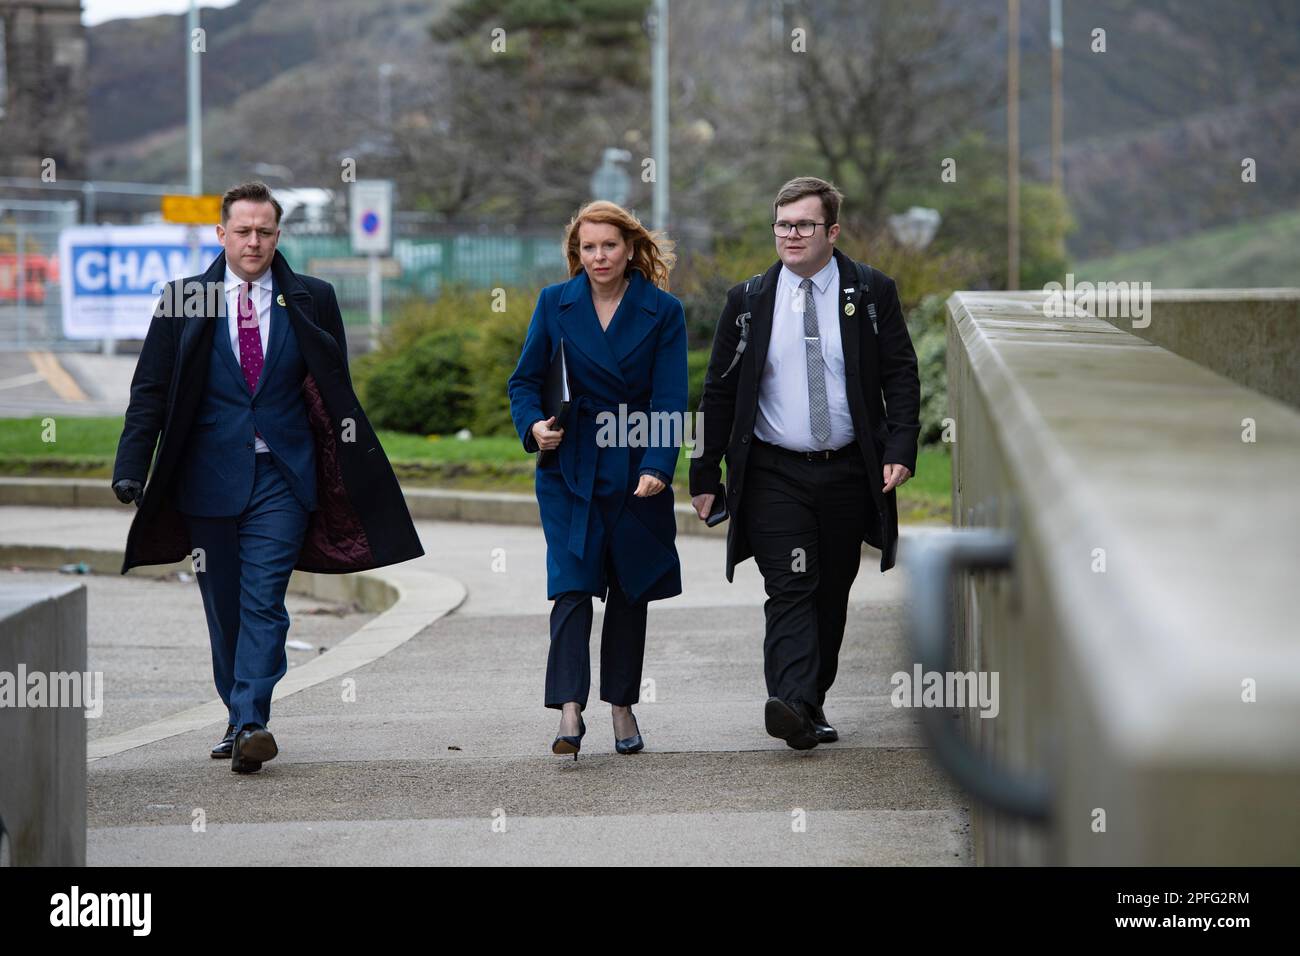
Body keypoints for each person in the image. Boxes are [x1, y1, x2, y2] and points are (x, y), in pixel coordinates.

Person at [111, 181, 424, 773]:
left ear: (278, 235)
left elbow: (333, 389)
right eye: (244, 230)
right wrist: (132, 467)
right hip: (206, 480)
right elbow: (149, 389)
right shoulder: (185, 300)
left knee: (264, 599)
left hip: (284, 475)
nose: (254, 241)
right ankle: (237, 716)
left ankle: (253, 717)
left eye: (265, 231)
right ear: (221, 234)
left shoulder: (312, 297)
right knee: (223, 604)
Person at [688, 176, 921, 750]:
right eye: (783, 225)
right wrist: (703, 472)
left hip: (846, 468)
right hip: (774, 471)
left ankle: (809, 702)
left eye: (804, 225)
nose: (791, 235)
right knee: (791, 583)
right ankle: (789, 701)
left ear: (832, 231)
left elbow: (901, 373)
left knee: (831, 589)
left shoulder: (870, 291)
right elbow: (718, 390)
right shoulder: (748, 301)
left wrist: (900, 447)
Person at [508, 200, 687, 760]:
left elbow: (671, 397)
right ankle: (568, 709)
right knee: (570, 586)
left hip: (635, 469)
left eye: (609, 245)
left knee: (630, 589)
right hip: (570, 470)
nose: (599, 256)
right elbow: (523, 382)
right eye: (588, 247)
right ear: (575, 252)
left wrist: (659, 464)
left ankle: (621, 705)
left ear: (630, 248)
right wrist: (534, 427)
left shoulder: (663, 310)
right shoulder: (553, 303)